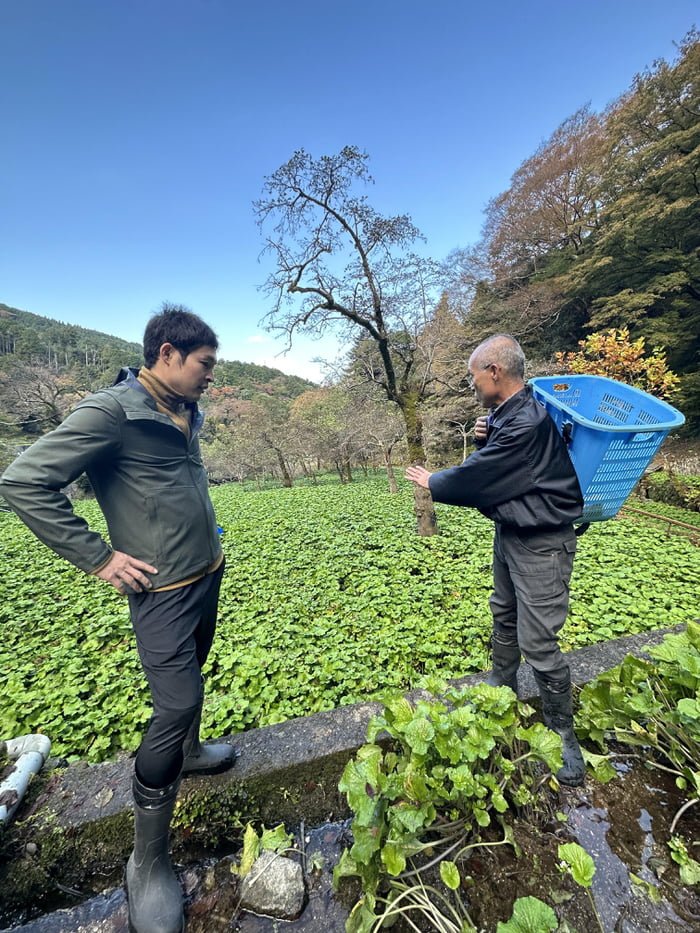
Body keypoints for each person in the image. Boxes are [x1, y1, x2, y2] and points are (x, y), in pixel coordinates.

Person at [0, 305, 237, 933]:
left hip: (204, 573)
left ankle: (186, 752)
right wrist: (100, 558)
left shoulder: (185, 409)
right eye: (205, 366)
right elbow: (23, 481)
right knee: (177, 700)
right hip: (159, 591)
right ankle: (147, 862)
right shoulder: (110, 412)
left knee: (196, 674)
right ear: (166, 353)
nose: (211, 377)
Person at [405, 334, 586, 787]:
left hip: (542, 543)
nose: (472, 385)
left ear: (494, 372)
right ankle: (501, 688)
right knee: (503, 614)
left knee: (539, 639)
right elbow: (504, 468)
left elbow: (482, 478)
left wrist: (435, 480)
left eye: (473, 377)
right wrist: (486, 436)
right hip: (513, 533)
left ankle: (563, 734)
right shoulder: (508, 415)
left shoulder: (524, 421)